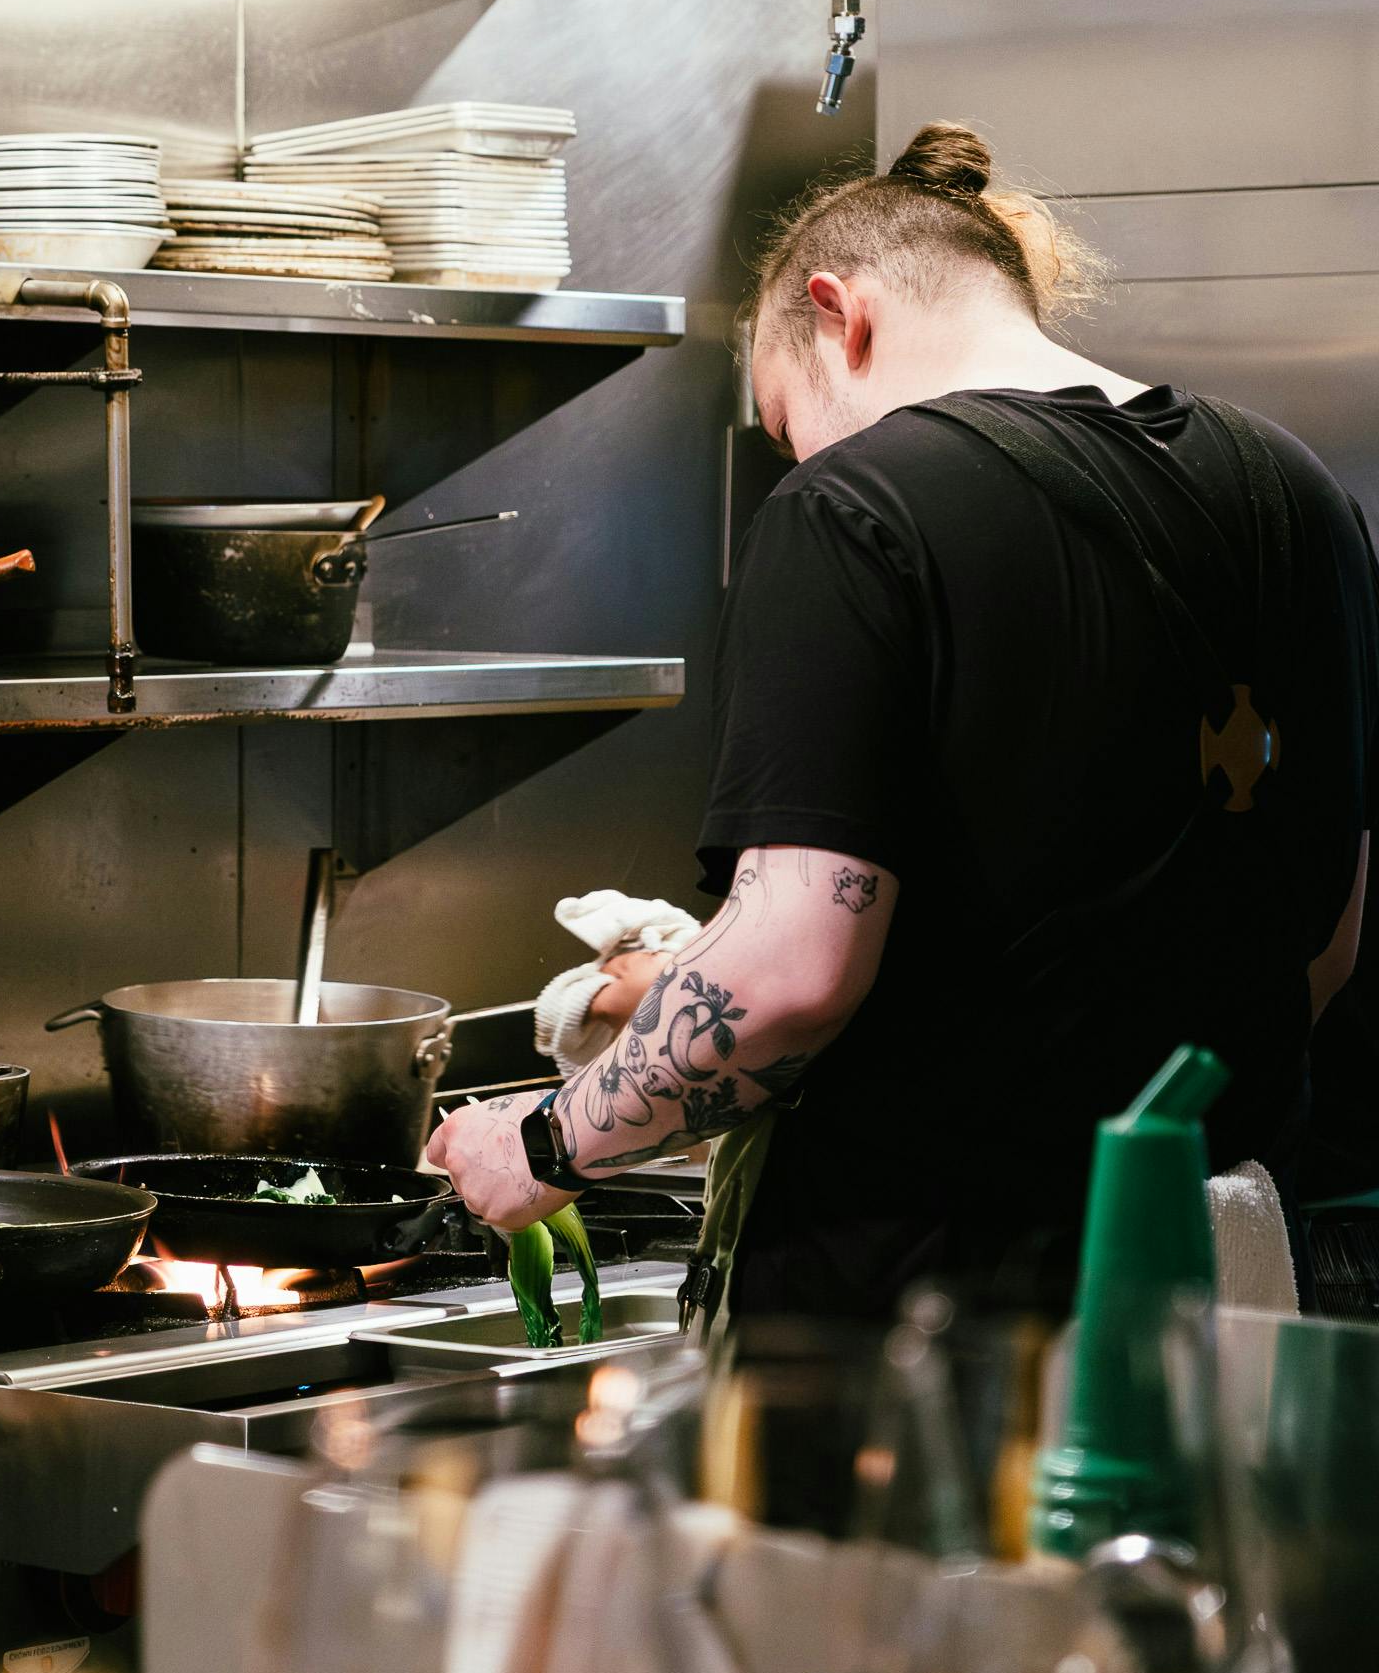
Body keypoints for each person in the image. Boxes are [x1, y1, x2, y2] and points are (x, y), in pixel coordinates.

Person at [429, 122, 1379, 1320]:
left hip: (915, 1321)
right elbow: (1325, 940)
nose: (799, 459)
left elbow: (787, 973)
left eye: (784, 425)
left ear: (839, 314)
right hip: (1218, 1283)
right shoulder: (1300, 496)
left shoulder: (857, 502)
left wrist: (544, 1145)